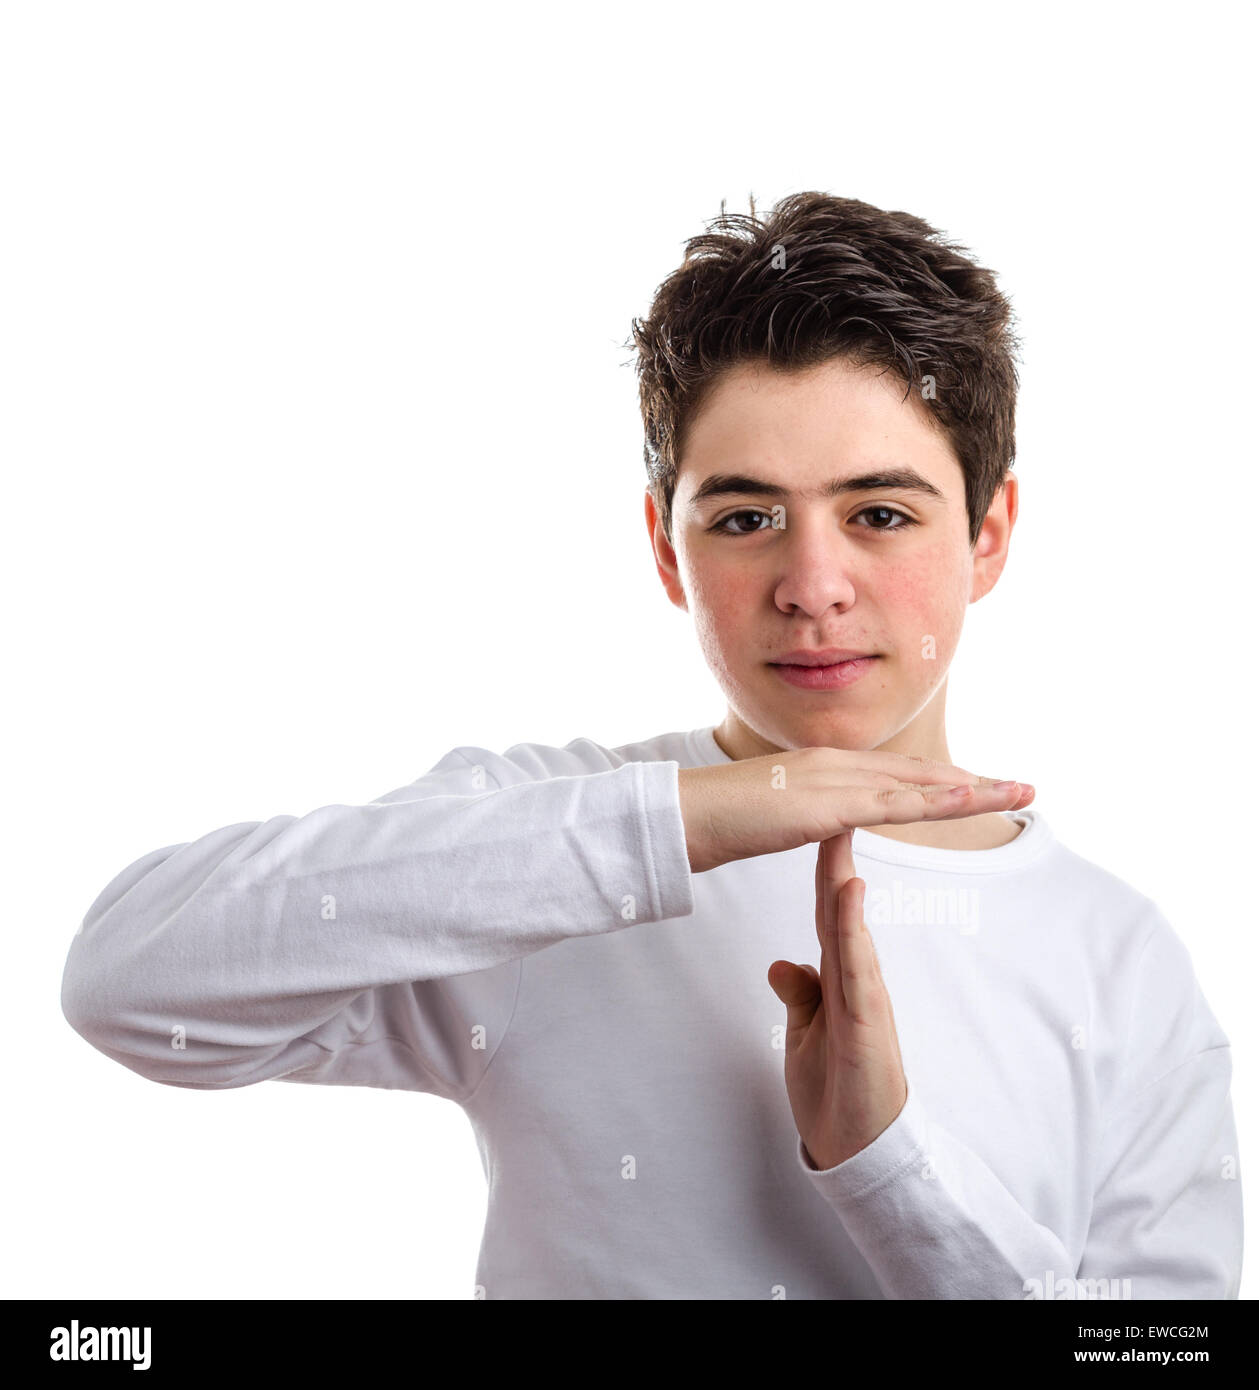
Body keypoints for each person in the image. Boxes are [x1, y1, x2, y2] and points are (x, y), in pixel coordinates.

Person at [61, 191, 1242, 1300]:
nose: (812, 585)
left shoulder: (1118, 960)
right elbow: (132, 983)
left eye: (878, 512)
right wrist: (681, 820)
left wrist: (885, 1164)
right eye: (744, 518)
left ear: (987, 535)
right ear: (667, 549)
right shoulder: (536, 834)